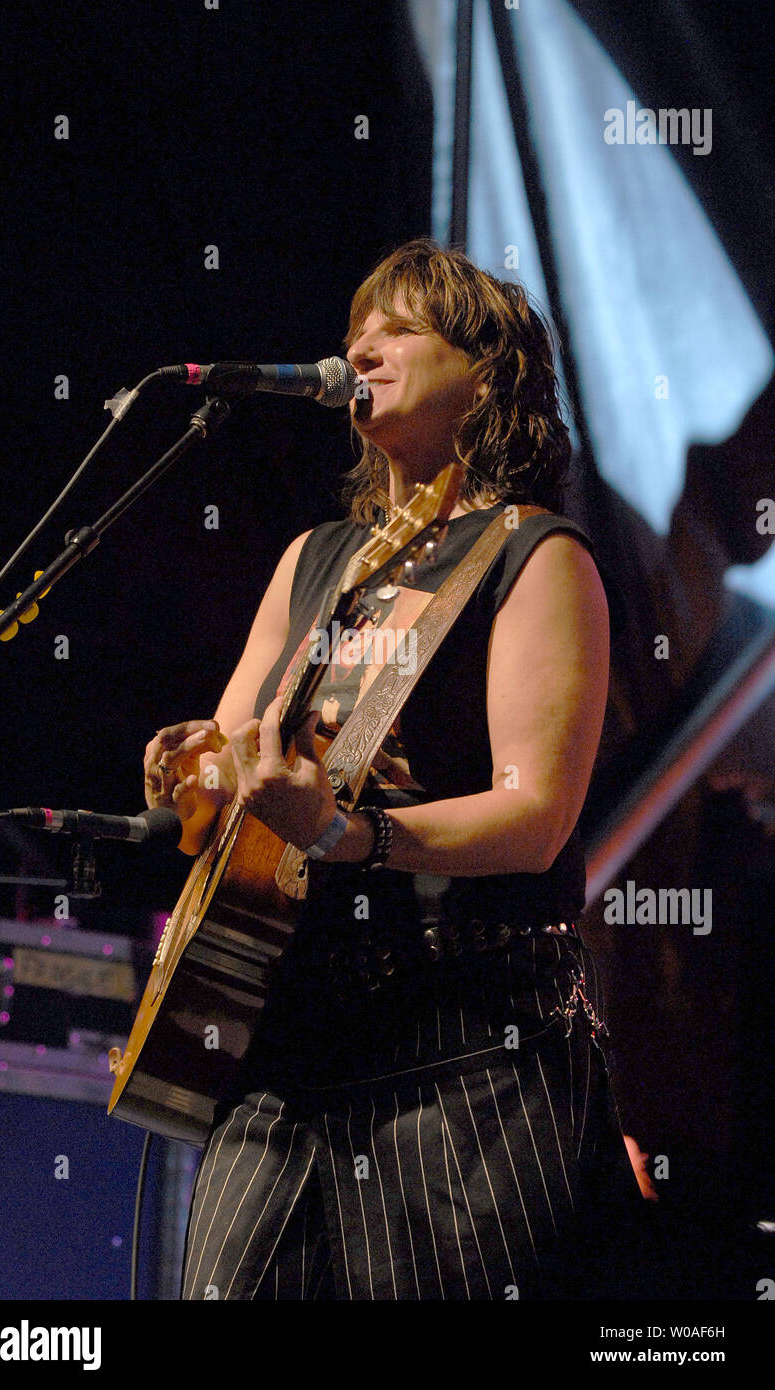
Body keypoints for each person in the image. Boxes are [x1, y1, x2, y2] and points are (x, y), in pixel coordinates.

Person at [143, 238, 642, 1300]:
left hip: (467, 1057)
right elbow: (236, 757)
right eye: (353, 333)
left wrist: (348, 833)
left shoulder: (535, 555)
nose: (362, 346)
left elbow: (537, 816)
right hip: (290, 1038)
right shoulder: (315, 557)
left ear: (488, 372)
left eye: (399, 327)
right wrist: (196, 777)